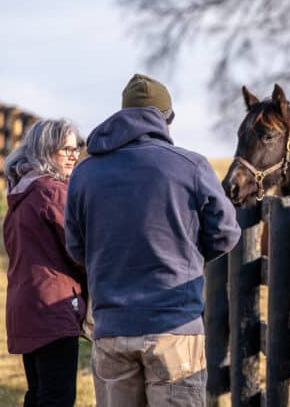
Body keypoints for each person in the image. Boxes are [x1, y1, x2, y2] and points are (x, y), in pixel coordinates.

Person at [65, 73, 241, 406]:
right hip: (173, 327)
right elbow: (226, 234)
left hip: (112, 327)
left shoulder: (85, 173)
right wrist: (188, 254)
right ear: (167, 120)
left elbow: (75, 246)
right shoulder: (191, 166)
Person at [2, 119, 86, 407]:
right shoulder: (53, 191)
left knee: (38, 394)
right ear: (45, 150)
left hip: (25, 305)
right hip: (54, 306)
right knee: (57, 397)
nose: (74, 155)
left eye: (76, 148)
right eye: (65, 149)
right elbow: (79, 248)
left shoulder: (21, 193)